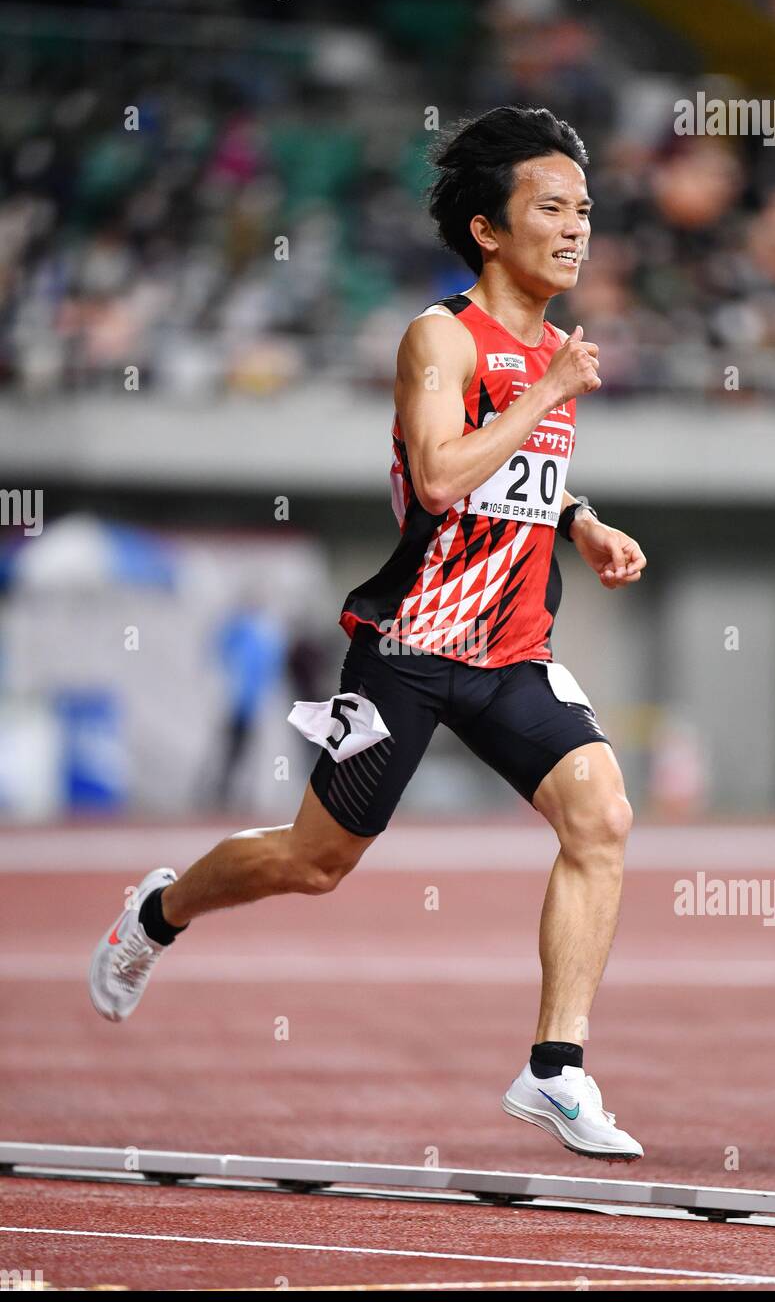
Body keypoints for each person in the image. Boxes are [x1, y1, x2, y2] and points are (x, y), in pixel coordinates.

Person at [90, 106, 647, 1163]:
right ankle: (158, 911)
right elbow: (438, 473)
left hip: (510, 650)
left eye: (583, 210)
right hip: (407, 648)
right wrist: (549, 391)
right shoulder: (439, 337)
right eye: (551, 208)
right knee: (314, 860)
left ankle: (553, 1072)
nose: (576, 229)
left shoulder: (544, 350)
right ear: (488, 229)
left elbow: (513, 477)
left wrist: (579, 520)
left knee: (600, 814)